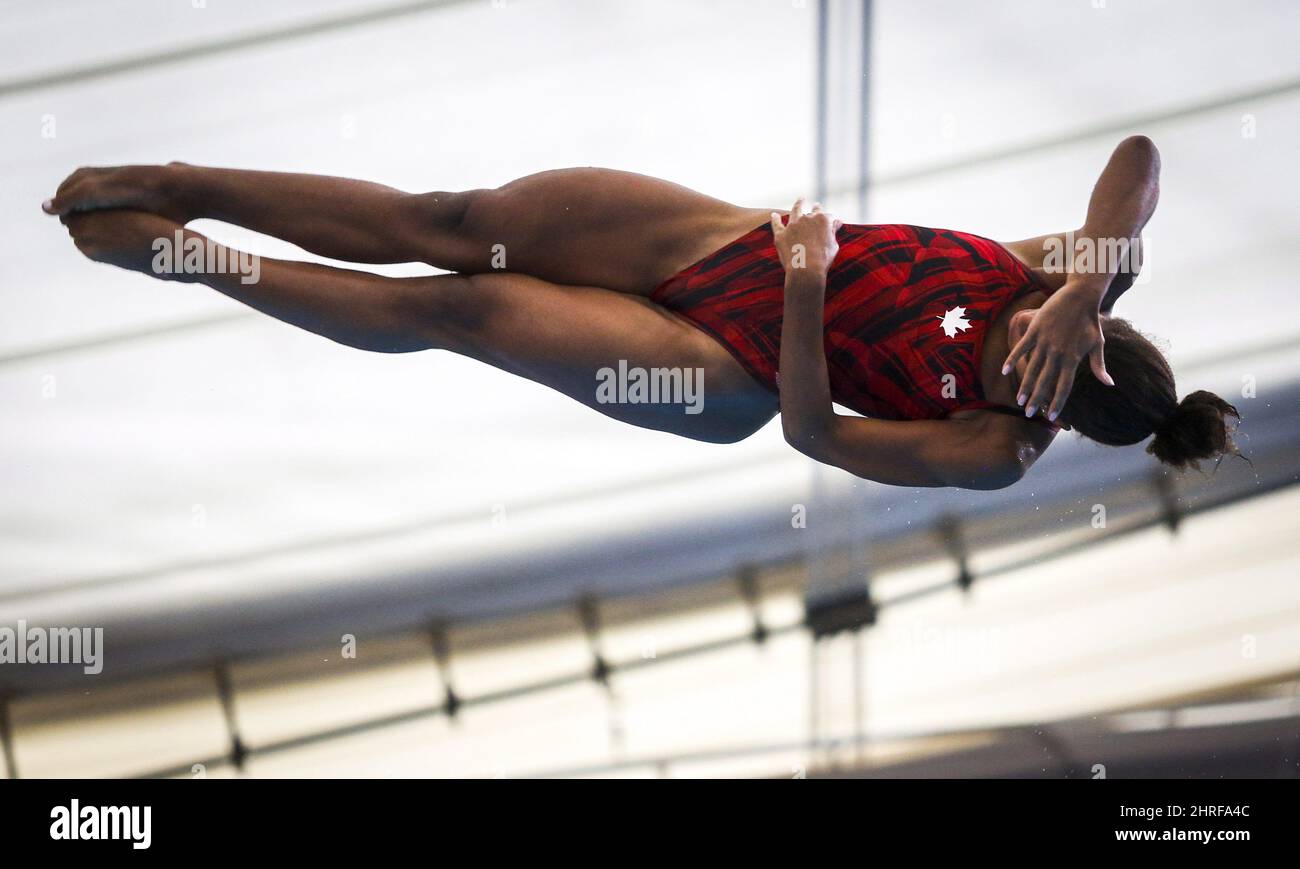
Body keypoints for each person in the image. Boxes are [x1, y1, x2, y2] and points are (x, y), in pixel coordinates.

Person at [43, 135, 1238, 489]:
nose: (1007, 369)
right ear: (1075, 323)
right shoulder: (1065, 271)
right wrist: (1086, 280)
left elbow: (817, 437)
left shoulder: (996, 449)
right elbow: (1139, 154)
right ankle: (184, 182)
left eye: (1015, 384)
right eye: (1031, 346)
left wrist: (813, 286)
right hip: (714, 238)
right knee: (454, 216)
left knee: (460, 310)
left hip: (727, 367)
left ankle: (197, 263)